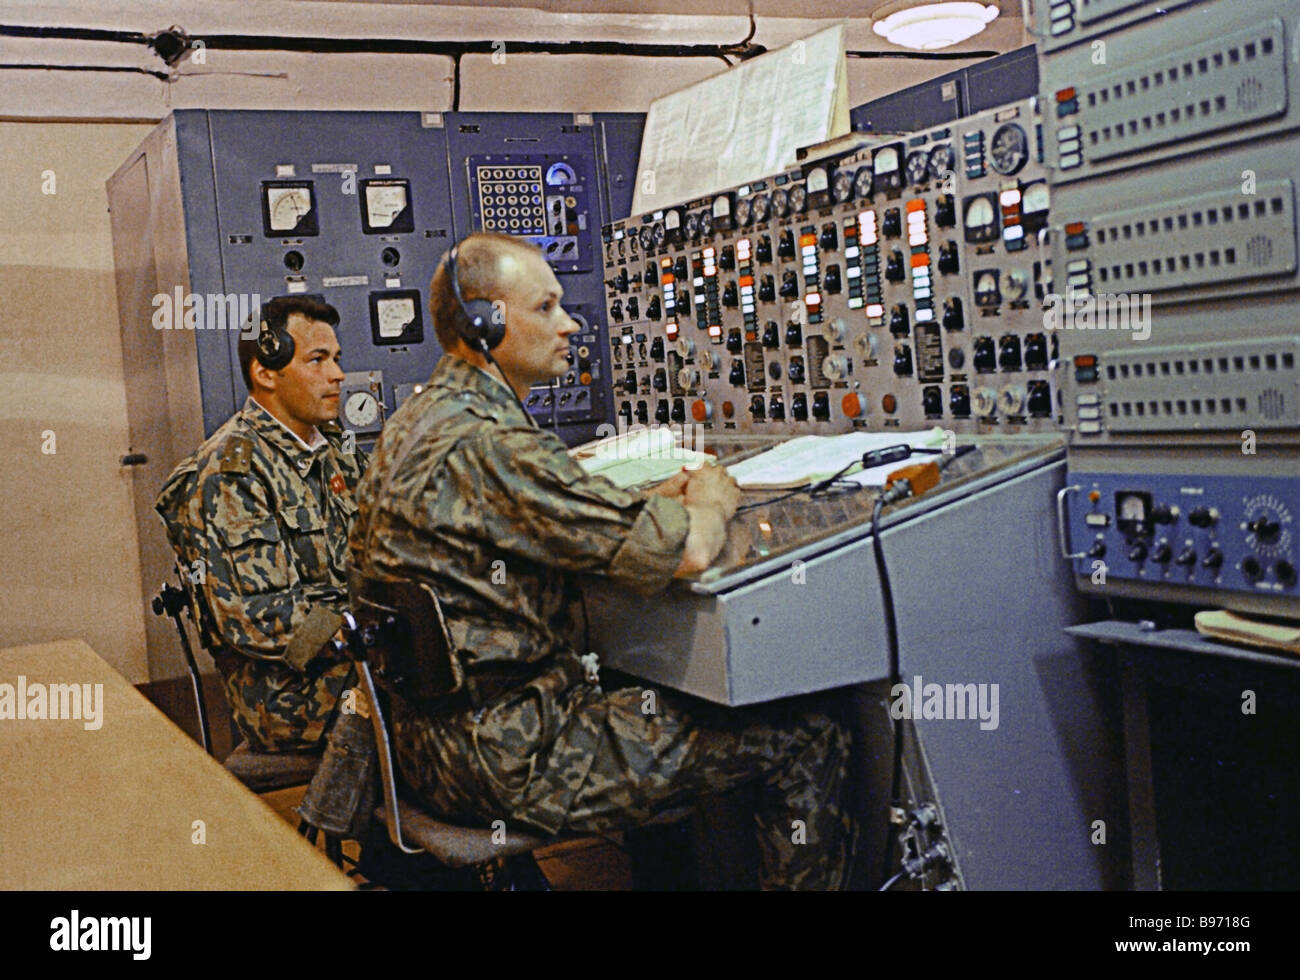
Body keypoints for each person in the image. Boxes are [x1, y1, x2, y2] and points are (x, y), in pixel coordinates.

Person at [349, 233, 855, 888]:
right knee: (806, 730)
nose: (569, 325)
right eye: (546, 307)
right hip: (507, 756)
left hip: (422, 747)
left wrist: (633, 503)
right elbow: (695, 548)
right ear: (486, 325)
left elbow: (529, 513)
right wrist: (711, 496)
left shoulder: (417, 422)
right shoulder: (496, 443)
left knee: (655, 694)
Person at [156, 296, 367, 752]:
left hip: (360, 659)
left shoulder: (334, 449)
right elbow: (265, 620)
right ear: (265, 373)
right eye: (317, 360)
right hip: (289, 696)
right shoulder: (231, 472)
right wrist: (376, 631)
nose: (338, 375)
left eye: (337, 359)